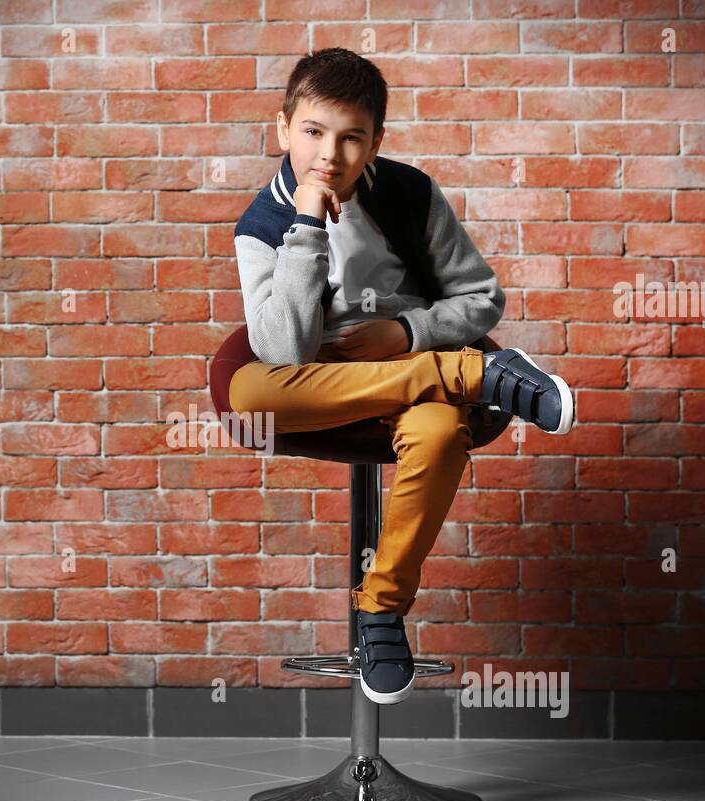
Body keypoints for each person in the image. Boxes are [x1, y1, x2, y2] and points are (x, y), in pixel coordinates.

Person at [229, 48, 575, 705]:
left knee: (443, 433)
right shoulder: (261, 227)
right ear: (282, 129)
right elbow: (285, 352)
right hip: (319, 377)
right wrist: (306, 222)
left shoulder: (409, 193)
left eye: (351, 137)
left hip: (408, 363)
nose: (329, 154)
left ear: (375, 143)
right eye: (312, 132)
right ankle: (477, 374)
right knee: (250, 390)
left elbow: (481, 300)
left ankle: (382, 607)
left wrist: (407, 334)